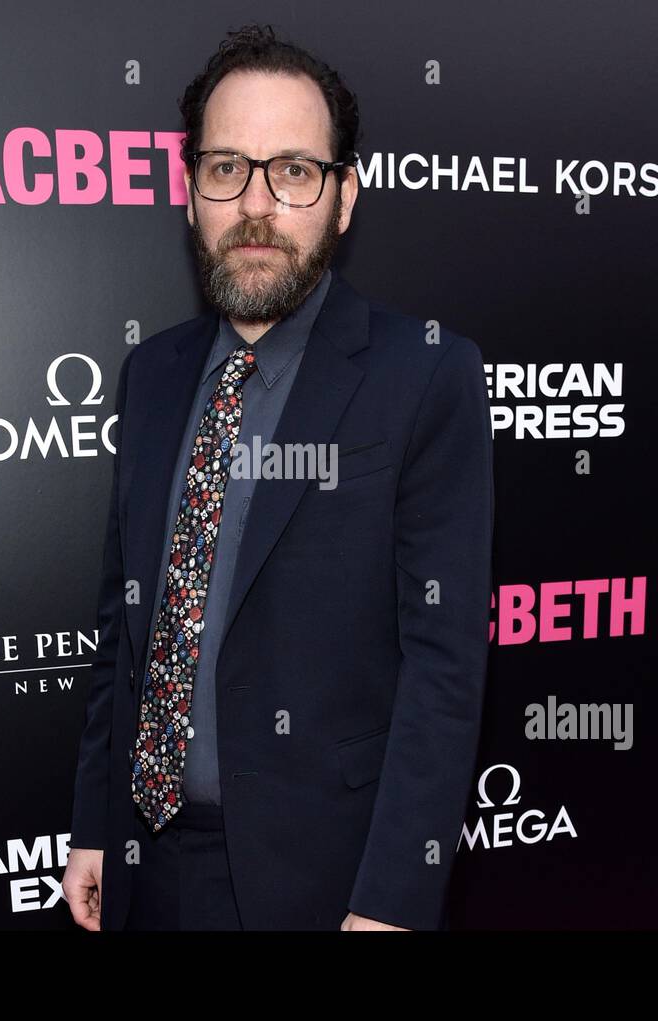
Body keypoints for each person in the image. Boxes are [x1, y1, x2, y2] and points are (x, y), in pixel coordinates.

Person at [62, 23, 493, 931]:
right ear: (190, 196)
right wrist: (95, 823)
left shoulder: (425, 375)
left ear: (343, 200)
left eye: (293, 171)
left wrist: (392, 903)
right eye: (227, 169)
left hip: (319, 880)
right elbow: (124, 626)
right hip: (144, 861)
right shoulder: (152, 375)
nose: (256, 205)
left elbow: (443, 673)